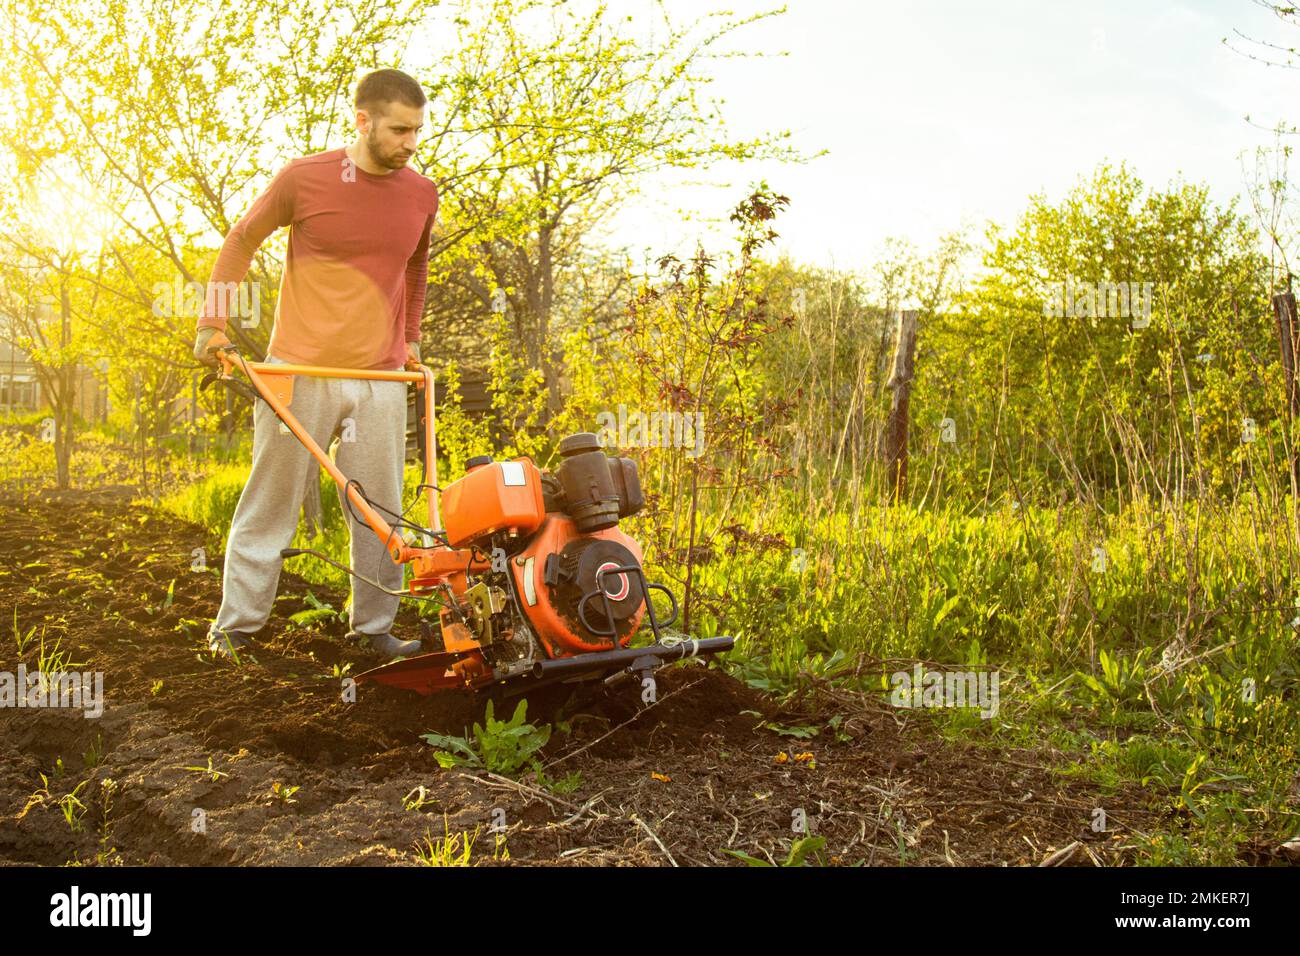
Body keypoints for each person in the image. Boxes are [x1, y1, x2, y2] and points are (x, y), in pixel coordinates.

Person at [193, 68, 439, 662]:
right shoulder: (306, 178)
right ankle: (236, 630)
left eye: (417, 132)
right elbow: (241, 238)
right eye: (400, 130)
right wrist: (212, 322)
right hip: (297, 374)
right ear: (362, 121)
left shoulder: (421, 194)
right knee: (270, 504)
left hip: (379, 377)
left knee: (382, 511)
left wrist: (408, 338)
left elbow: (414, 268)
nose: (411, 143)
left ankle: (374, 629)